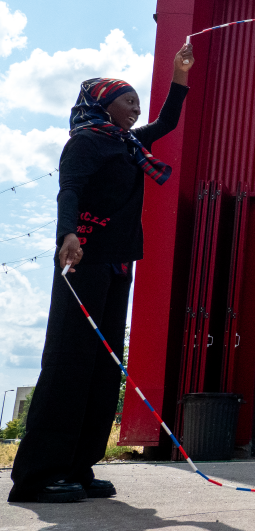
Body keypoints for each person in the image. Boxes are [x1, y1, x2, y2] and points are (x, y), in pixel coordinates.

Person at [8, 43, 195, 504]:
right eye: (127, 99)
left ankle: (77, 466)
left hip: (115, 265)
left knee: (102, 369)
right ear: (102, 103)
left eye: (137, 100)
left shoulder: (127, 144)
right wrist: (66, 235)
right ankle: (37, 476)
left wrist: (179, 76)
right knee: (69, 366)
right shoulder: (87, 142)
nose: (135, 107)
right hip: (82, 261)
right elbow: (69, 190)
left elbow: (167, 123)